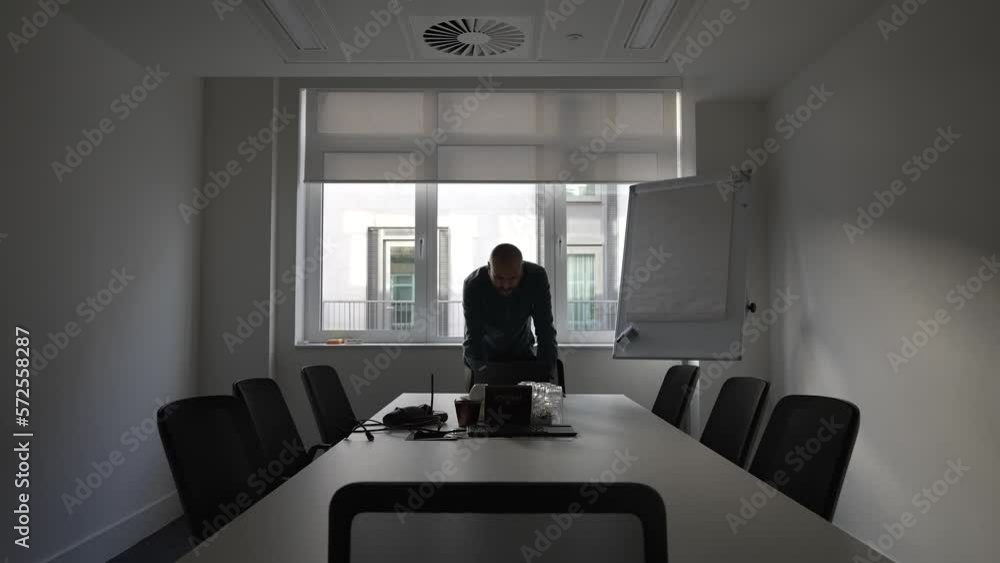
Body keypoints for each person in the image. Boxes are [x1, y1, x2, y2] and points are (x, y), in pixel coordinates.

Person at [462, 243, 558, 390]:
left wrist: (545, 374)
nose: (506, 285)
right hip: (485, 357)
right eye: (499, 278)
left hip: (523, 355)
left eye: (513, 279)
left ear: (522, 270)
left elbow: (545, 330)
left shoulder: (536, 278)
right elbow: (474, 337)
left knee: (530, 399)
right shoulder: (473, 285)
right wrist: (482, 373)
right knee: (484, 400)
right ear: (489, 268)